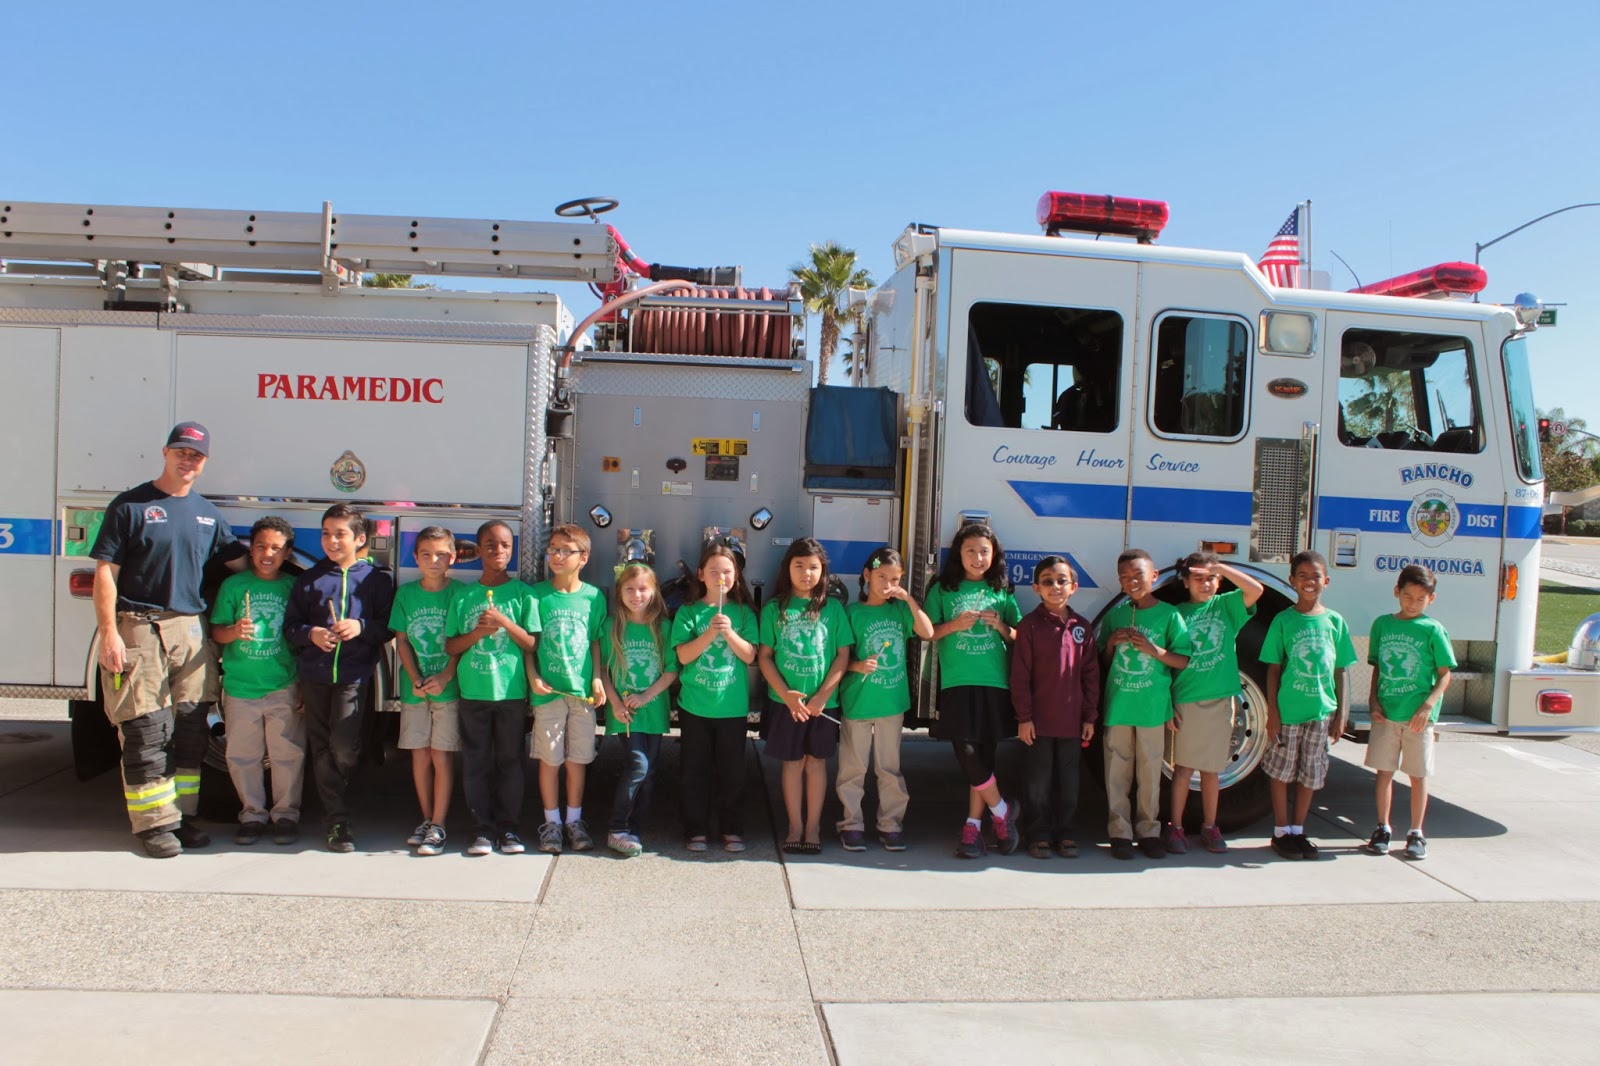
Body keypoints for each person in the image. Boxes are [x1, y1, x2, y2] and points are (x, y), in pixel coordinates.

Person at [91, 421, 241, 858]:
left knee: (192, 728)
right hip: (138, 625)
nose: (187, 460)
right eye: (181, 451)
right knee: (146, 728)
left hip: (189, 628)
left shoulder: (207, 514)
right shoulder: (131, 506)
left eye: (195, 455)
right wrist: (109, 636)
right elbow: (105, 574)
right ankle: (153, 825)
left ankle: (183, 816)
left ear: (204, 462)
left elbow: (243, 565)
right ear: (165, 452)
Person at [284, 503, 394, 853]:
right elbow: (290, 627)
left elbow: (387, 627)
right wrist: (311, 634)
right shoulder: (309, 578)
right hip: (315, 675)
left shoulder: (376, 580)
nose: (331, 541)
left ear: (360, 539)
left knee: (343, 746)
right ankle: (336, 820)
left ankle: (345, 774)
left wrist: (360, 627)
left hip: (355, 675)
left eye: (340, 534)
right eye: (326, 533)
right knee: (320, 747)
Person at [925, 522, 1022, 859]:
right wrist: (955, 625)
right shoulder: (943, 588)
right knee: (965, 751)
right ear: (959, 554)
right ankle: (1003, 810)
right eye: (971, 551)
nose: (978, 557)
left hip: (995, 682)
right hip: (957, 682)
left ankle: (974, 828)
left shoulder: (1003, 588)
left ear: (993, 554)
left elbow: (1021, 636)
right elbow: (928, 632)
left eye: (984, 551)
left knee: (984, 759)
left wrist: (1002, 626)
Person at [445, 520, 539, 856]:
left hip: (511, 693)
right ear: (477, 549)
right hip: (473, 693)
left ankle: (509, 829)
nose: (497, 551)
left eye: (504, 545)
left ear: (512, 551)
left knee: (510, 761)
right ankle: (481, 830)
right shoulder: (463, 595)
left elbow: (531, 644)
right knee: (476, 762)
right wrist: (477, 634)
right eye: (490, 545)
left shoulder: (522, 594)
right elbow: (451, 647)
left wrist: (502, 622)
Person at [211, 516, 303, 846]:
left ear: (288, 553)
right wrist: (234, 631)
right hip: (240, 687)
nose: (268, 554)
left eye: (276, 548)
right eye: (261, 546)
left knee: (287, 753)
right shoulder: (234, 587)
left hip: (283, 683)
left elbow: (300, 639)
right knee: (242, 755)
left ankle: (285, 815)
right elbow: (217, 632)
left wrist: (302, 684)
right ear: (251, 550)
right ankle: (252, 814)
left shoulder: (293, 588)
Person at [1260, 550, 1357, 861]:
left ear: (1326, 581)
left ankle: (1298, 830)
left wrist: (1341, 713)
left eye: (1315, 576)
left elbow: (1341, 669)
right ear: (1292, 581)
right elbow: (1273, 669)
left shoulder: (1335, 622)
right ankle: (1280, 831)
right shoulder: (1283, 620)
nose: (1309, 581)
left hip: (1320, 712)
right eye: (1302, 576)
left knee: (1309, 773)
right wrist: (1272, 713)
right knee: (1281, 772)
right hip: (1288, 712)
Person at [836, 547, 934, 852]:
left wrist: (908, 599)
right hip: (858, 702)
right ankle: (851, 823)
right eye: (882, 577)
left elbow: (928, 632)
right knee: (852, 767)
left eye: (895, 579)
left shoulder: (900, 610)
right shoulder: (851, 612)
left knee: (889, 767)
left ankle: (890, 824)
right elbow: (838, 658)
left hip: (892, 703)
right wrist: (857, 666)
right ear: (867, 576)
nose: (888, 584)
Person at [759, 538, 852, 855]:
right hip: (787, 703)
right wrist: (786, 695)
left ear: (823, 571)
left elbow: (842, 656)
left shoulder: (833, 608)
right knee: (792, 764)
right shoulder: (774, 609)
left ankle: (813, 826)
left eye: (813, 567)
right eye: (799, 566)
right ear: (787, 568)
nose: (806, 573)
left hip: (823, 705)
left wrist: (823, 697)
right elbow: (765, 657)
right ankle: (794, 826)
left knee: (816, 764)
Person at [1166, 552, 1264, 855]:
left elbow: (1256, 590)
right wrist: (1168, 705)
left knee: (1211, 771)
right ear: (1185, 582)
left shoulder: (1226, 607)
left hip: (1221, 701)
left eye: (1211, 578)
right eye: (1198, 578)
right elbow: (1168, 665)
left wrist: (1219, 565)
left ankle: (1210, 826)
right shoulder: (1175, 614)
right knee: (1182, 770)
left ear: (1219, 581)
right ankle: (1176, 827)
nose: (1205, 583)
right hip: (1186, 701)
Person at [1098, 548, 1191, 860]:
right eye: (1124, 578)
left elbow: (1182, 660)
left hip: (1152, 707)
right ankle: (1119, 831)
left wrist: (1154, 650)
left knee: (1150, 770)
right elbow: (1104, 661)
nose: (1131, 582)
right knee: (1117, 770)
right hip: (1119, 706)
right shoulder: (1116, 616)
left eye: (1138, 575)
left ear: (1153, 576)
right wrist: (1111, 642)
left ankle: (1149, 830)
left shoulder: (1169, 615)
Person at [527, 524, 609, 855]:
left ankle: (574, 820)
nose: (557, 557)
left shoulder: (593, 597)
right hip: (548, 694)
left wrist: (598, 677)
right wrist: (533, 676)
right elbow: (529, 644)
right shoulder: (536, 594)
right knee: (550, 759)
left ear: (583, 558)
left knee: (578, 759)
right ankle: (551, 822)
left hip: (581, 695)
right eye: (553, 550)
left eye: (566, 551)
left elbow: (595, 642)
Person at [671, 543, 759, 853]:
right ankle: (695, 829)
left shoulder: (744, 612)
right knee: (694, 772)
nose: (720, 577)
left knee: (732, 772)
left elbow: (750, 656)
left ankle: (731, 828)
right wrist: (709, 632)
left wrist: (730, 633)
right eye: (714, 572)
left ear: (736, 576)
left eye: (727, 572)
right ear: (700, 575)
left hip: (732, 709)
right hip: (695, 707)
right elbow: (682, 655)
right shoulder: (689, 611)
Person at [1364, 564, 1455, 860]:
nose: (1412, 603)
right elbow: (1378, 667)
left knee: (1418, 775)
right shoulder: (1382, 625)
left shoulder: (1433, 629)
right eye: (1407, 596)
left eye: (1420, 598)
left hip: (1418, 718)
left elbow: (1445, 674)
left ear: (1432, 598)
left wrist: (1428, 705)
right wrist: (1373, 701)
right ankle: (1383, 828)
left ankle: (1416, 833)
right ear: (1396, 592)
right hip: (1386, 714)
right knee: (1384, 772)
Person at [1011, 556, 1099, 859]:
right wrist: (1024, 718)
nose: (1055, 586)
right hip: (1038, 724)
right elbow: (1020, 676)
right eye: (1047, 581)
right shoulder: (1029, 627)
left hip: (1072, 724)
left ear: (1073, 587)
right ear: (1036, 587)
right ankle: (1037, 834)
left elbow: (1090, 676)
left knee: (1069, 784)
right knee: (1037, 783)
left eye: (1062, 580)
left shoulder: (1082, 628)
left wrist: (1090, 716)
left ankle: (1067, 833)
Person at [597, 563, 678, 857]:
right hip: (625, 715)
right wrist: (616, 704)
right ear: (619, 592)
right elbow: (604, 670)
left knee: (650, 772)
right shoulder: (611, 625)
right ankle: (617, 828)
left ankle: (633, 829)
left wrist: (646, 697)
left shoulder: (663, 627)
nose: (636, 594)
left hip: (653, 710)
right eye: (629, 589)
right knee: (638, 765)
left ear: (654, 592)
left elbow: (671, 671)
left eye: (643, 588)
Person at [391, 526, 463, 857]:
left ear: (453, 557)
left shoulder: (460, 594)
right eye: (426, 554)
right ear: (416, 557)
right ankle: (425, 818)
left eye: (441, 555)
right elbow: (402, 640)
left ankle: (439, 823)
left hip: (447, 691)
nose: (434, 561)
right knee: (419, 754)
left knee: (440, 754)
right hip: (414, 690)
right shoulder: (405, 595)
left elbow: (461, 643)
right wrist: (414, 677)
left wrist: (447, 675)